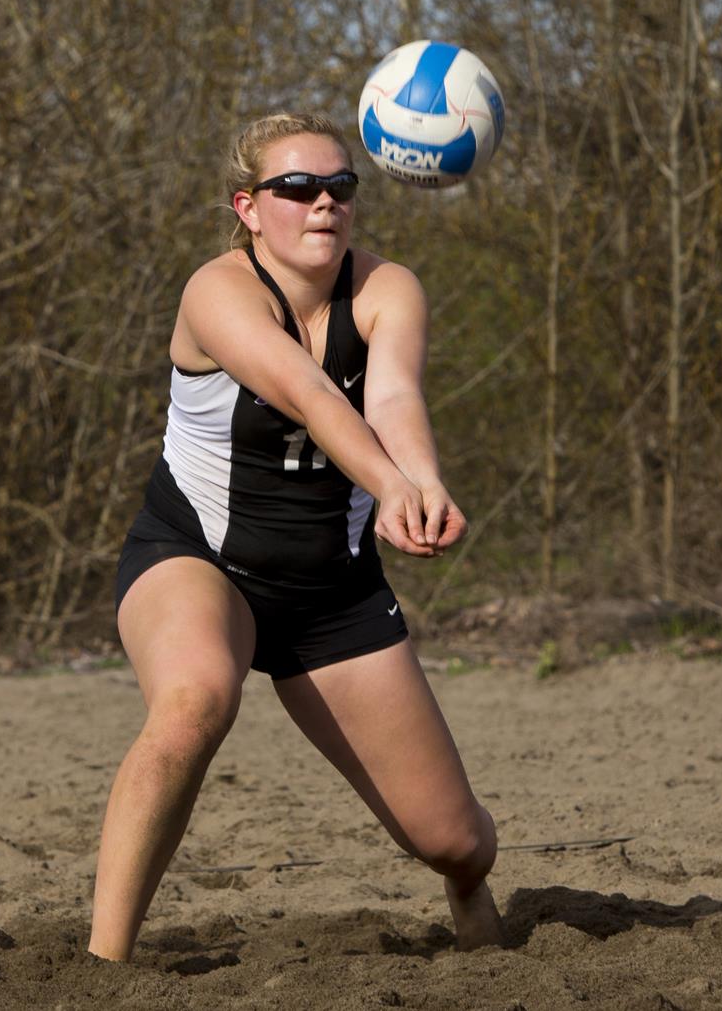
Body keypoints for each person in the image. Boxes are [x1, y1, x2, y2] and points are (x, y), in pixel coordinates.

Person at [88, 113, 504, 961]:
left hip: (333, 591)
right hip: (196, 561)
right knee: (194, 703)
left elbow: (391, 402)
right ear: (248, 207)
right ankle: (104, 963)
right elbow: (311, 394)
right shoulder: (217, 291)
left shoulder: (389, 289)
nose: (324, 204)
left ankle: (478, 912)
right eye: (297, 188)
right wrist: (387, 483)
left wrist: (420, 485)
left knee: (455, 841)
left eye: (341, 188)